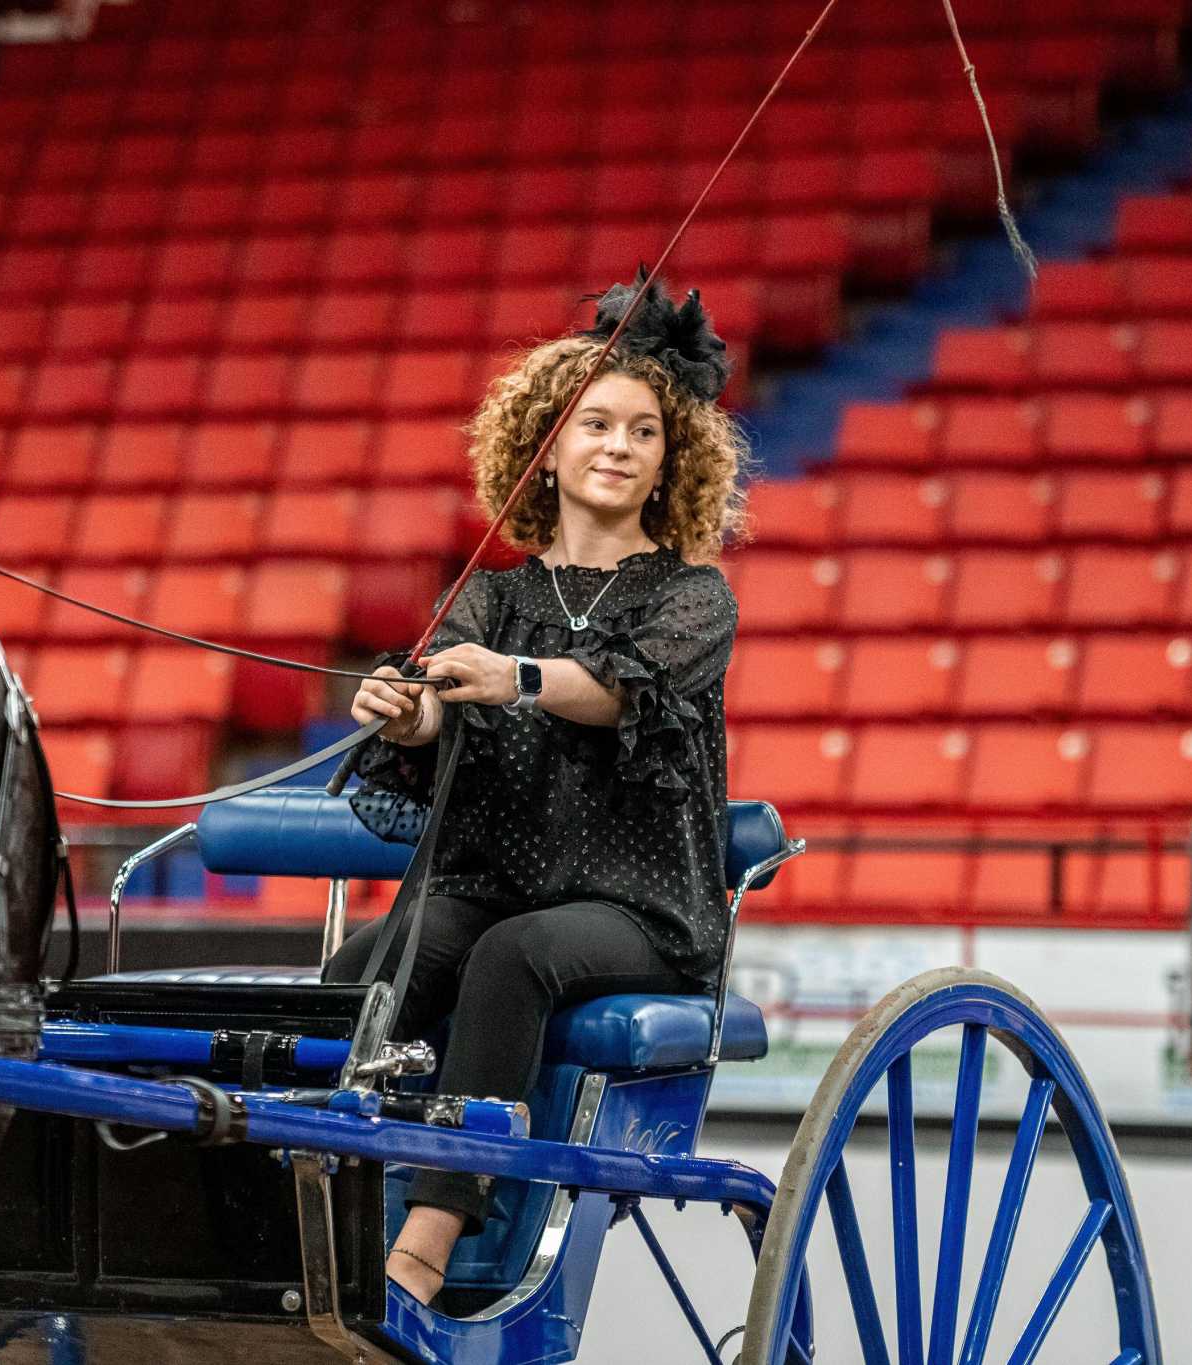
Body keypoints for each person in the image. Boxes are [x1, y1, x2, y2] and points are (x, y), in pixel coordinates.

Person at [325, 273, 752, 1307]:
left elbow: (611, 693)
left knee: (516, 953)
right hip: (502, 875)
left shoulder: (692, 597)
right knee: (372, 960)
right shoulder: (490, 595)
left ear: (666, 463)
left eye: (642, 432)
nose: (616, 444)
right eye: (592, 423)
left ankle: (431, 1236)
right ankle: (299, 1207)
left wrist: (510, 679)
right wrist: (413, 711)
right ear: (545, 448)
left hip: (636, 902)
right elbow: (442, 716)